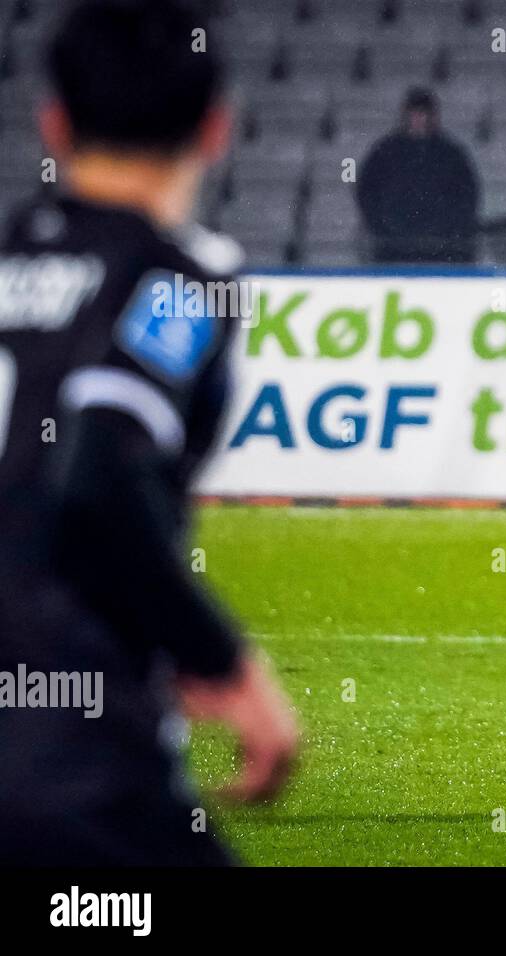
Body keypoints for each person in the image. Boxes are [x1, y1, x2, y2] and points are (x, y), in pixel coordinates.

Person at [0, 0, 298, 865]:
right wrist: (226, 665)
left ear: (51, 120)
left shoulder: (12, 253)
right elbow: (97, 479)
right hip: (70, 766)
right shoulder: (181, 280)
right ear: (217, 128)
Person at [357, 87, 481, 263]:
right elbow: (366, 191)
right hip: (393, 248)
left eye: (423, 114)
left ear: (433, 116)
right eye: (414, 114)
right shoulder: (384, 152)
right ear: (405, 115)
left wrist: (449, 232)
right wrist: (382, 228)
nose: (418, 119)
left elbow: (467, 196)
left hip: (441, 250)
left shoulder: (451, 154)